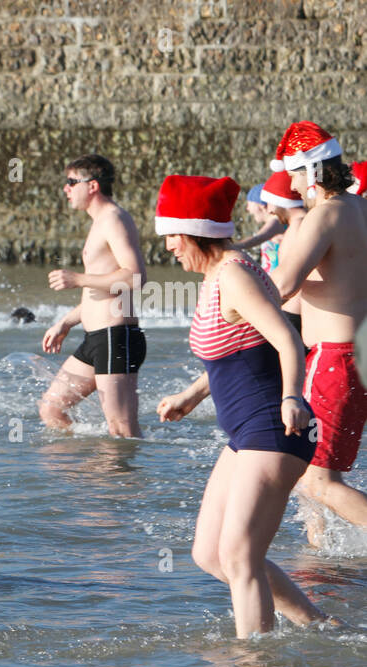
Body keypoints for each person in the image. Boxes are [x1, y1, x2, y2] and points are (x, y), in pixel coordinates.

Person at [153, 175, 329, 637]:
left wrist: (293, 396)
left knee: (239, 556)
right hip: (248, 433)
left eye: (173, 235)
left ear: (196, 231)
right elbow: (238, 348)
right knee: (210, 554)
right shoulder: (221, 274)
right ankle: (320, 627)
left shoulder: (233, 276)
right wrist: (192, 394)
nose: (169, 246)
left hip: (275, 427)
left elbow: (288, 341)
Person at [266, 122, 367, 544]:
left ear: (310, 171)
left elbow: (283, 285)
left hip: (334, 358)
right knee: (312, 467)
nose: (289, 184)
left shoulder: (324, 215)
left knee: (317, 481)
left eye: (292, 174)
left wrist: (232, 287)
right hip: (355, 352)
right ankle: (319, 558)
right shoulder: (359, 207)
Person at [39, 154, 148, 437]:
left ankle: (127, 479)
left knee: (122, 431)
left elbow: (135, 277)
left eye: (71, 182)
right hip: (97, 338)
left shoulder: (114, 219)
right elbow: (99, 289)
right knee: (51, 409)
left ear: (93, 186)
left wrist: (77, 279)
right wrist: (66, 321)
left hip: (116, 336)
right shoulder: (100, 221)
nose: (66, 189)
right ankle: (93, 473)